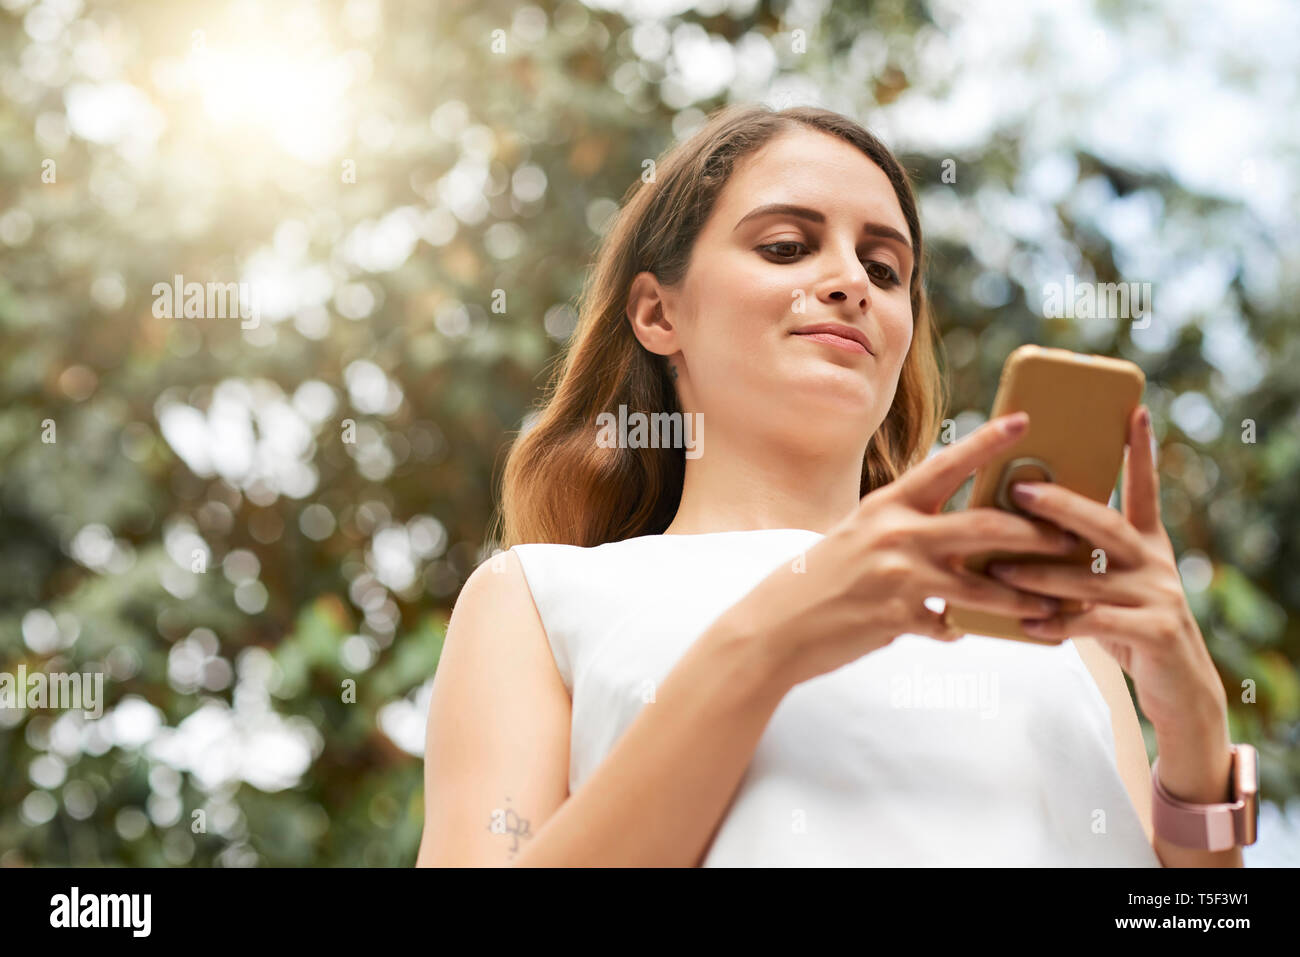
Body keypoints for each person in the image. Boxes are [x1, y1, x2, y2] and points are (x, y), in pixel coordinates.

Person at [416, 103, 1241, 867]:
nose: (851, 281)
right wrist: (770, 642)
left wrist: (1198, 747)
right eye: (785, 246)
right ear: (659, 314)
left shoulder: (1058, 635)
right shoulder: (537, 596)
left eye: (885, 270)